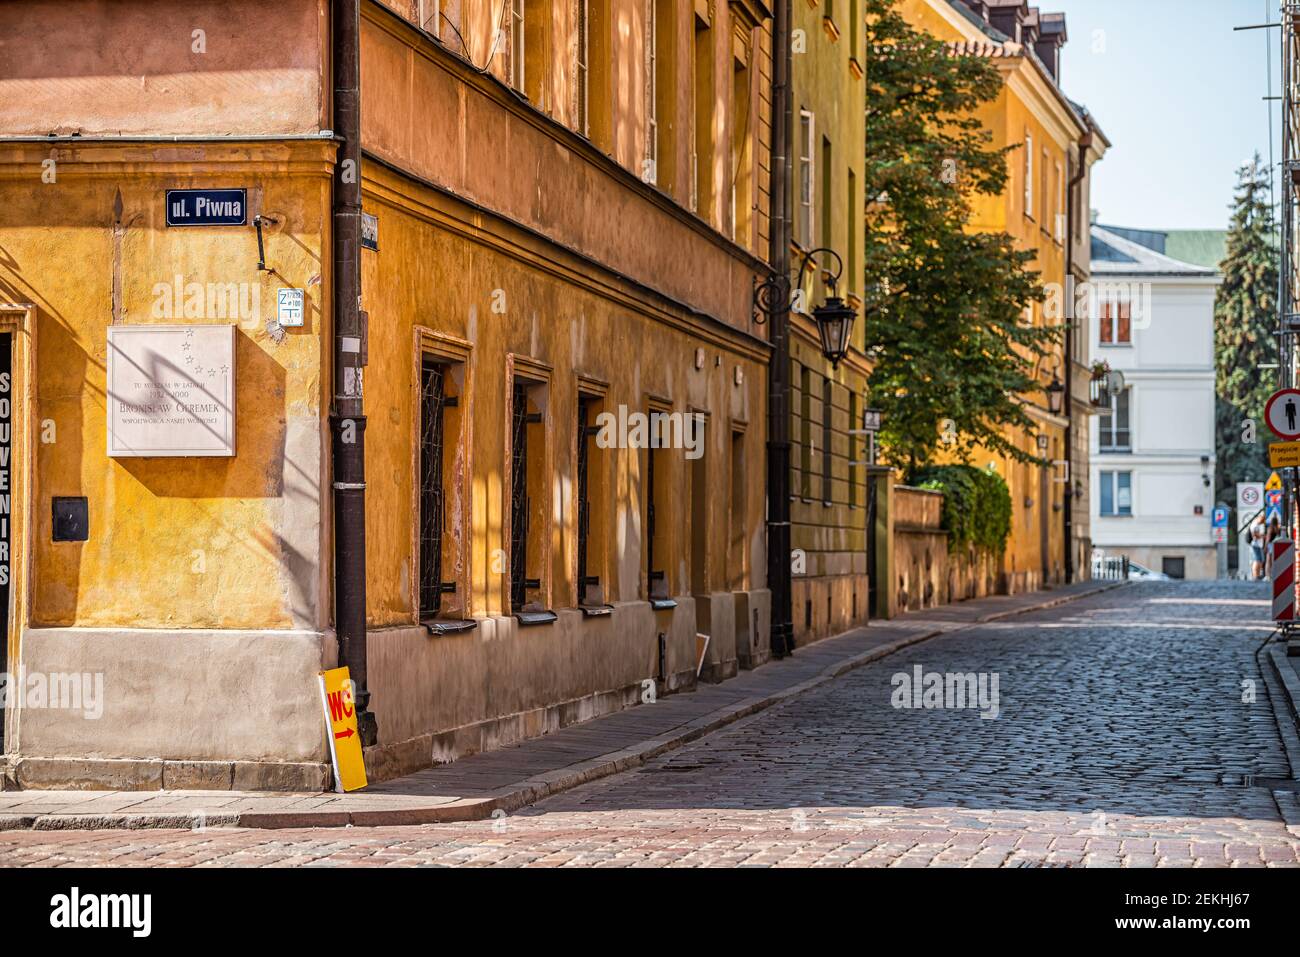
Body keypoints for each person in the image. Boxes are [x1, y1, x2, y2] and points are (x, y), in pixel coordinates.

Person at [1250, 517, 1267, 581]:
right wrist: (1263, 536)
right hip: (1256, 544)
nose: (1261, 523)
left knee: (1258, 560)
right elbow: (1255, 535)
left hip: (1257, 544)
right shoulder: (1255, 525)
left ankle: (1256, 575)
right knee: (1258, 560)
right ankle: (1256, 575)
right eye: (1262, 522)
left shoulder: (1254, 524)